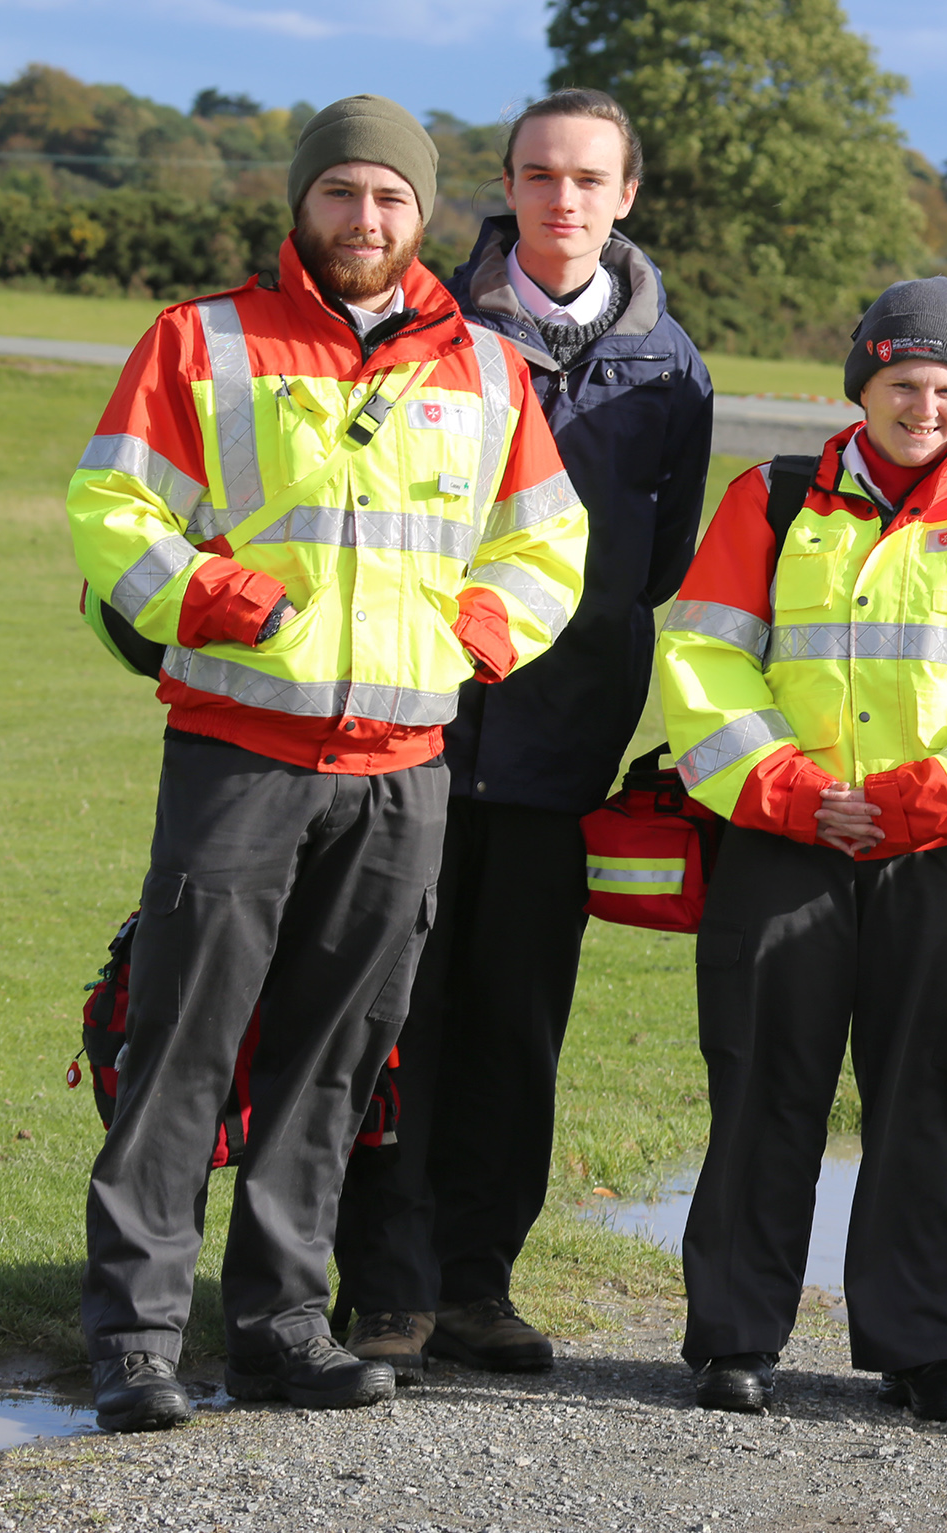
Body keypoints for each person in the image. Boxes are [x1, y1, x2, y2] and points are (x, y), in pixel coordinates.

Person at [67, 94, 586, 1432]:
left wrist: (476, 632)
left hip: (404, 766)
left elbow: (548, 543)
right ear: (303, 202)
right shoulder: (202, 341)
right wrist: (212, 599)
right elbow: (111, 505)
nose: (366, 219)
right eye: (343, 193)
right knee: (182, 1044)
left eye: (391, 199)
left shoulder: (485, 367)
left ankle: (285, 1324)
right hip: (239, 752)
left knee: (336, 1060)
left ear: (424, 214)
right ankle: (135, 1335)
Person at [329, 87, 712, 1384]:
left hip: (560, 756)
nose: (563, 200)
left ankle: (480, 1288)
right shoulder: (435, 326)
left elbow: (649, 564)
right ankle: (386, 1292)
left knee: (515, 1031)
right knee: (392, 1024)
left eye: (588, 180)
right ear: (506, 184)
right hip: (411, 735)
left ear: (626, 196)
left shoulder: (674, 365)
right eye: (539, 175)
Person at [659, 277, 947, 1422]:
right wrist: (794, 793)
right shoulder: (772, 497)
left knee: (924, 1105)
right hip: (781, 841)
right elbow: (704, 662)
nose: (926, 404)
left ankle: (917, 1349)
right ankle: (735, 1340)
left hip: (937, 856)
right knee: (760, 1096)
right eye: (904, 382)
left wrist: (915, 805)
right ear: (864, 384)